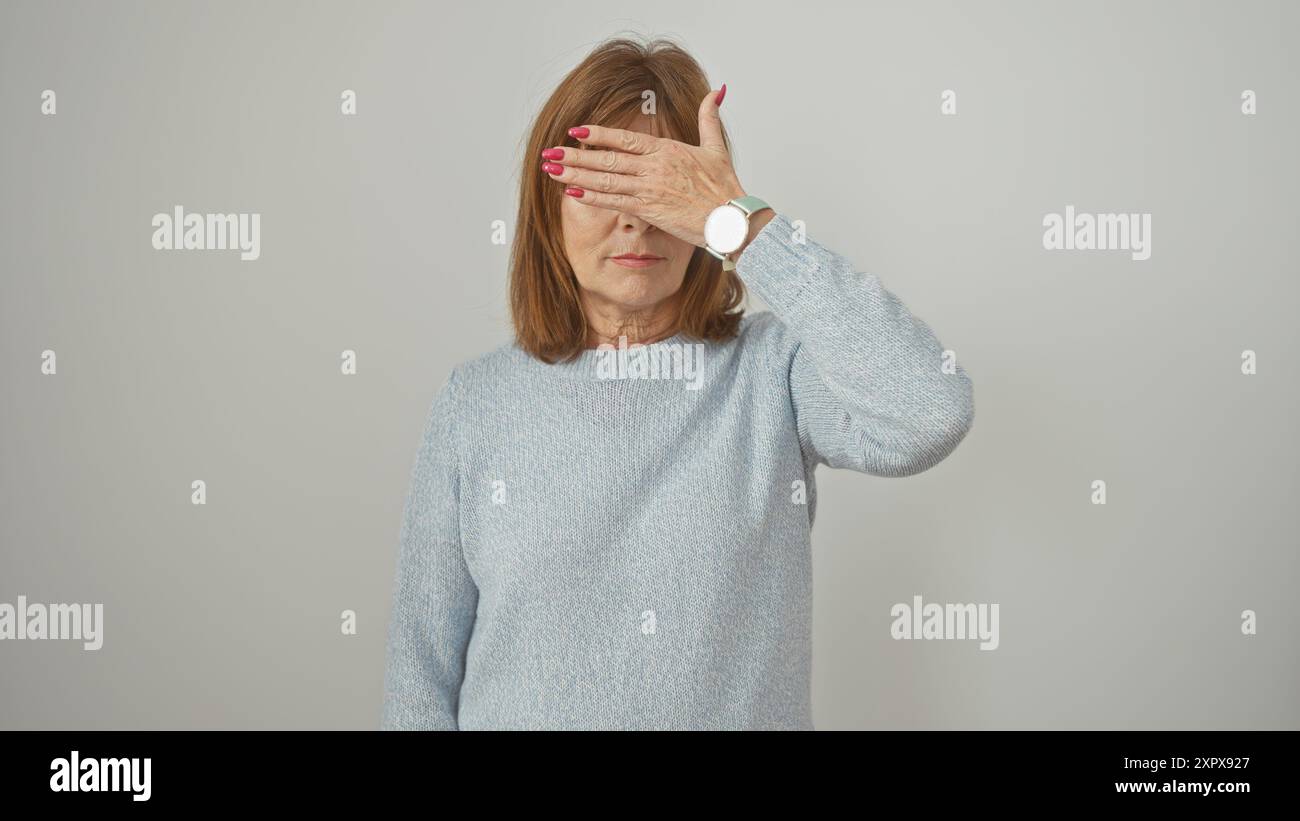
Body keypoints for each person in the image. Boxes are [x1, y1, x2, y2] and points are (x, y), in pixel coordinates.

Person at [381, 36, 974, 730]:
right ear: (548, 209)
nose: (636, 217)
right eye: (601, 182)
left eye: (662, 189)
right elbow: (419, 679)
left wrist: (746, 227)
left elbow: (931, 410)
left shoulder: (771, 374)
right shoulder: (473, 405)